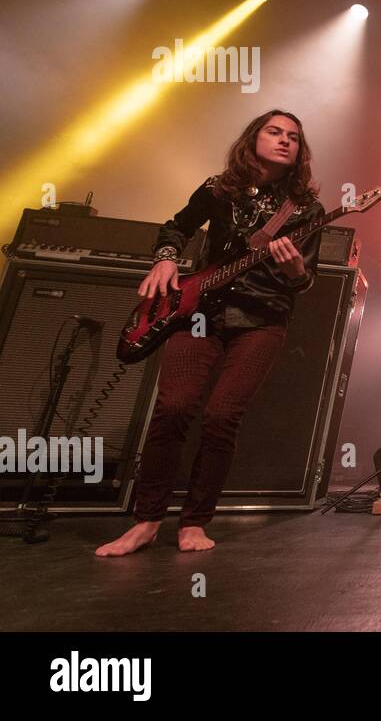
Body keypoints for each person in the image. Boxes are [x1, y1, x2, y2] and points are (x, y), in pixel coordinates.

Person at [96, 110, 324, 556]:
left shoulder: (307, 210)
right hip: (196, 310)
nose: (284, 141)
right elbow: (177, 225)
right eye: (273, 132)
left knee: (221, 417)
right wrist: (166, 258)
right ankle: (145, 521)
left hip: (261, 319)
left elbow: (304, 280)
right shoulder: (220, 188)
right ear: (252, 137)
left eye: (293, 137)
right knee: (174, 407)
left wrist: (296, 270)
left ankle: (195, 522)